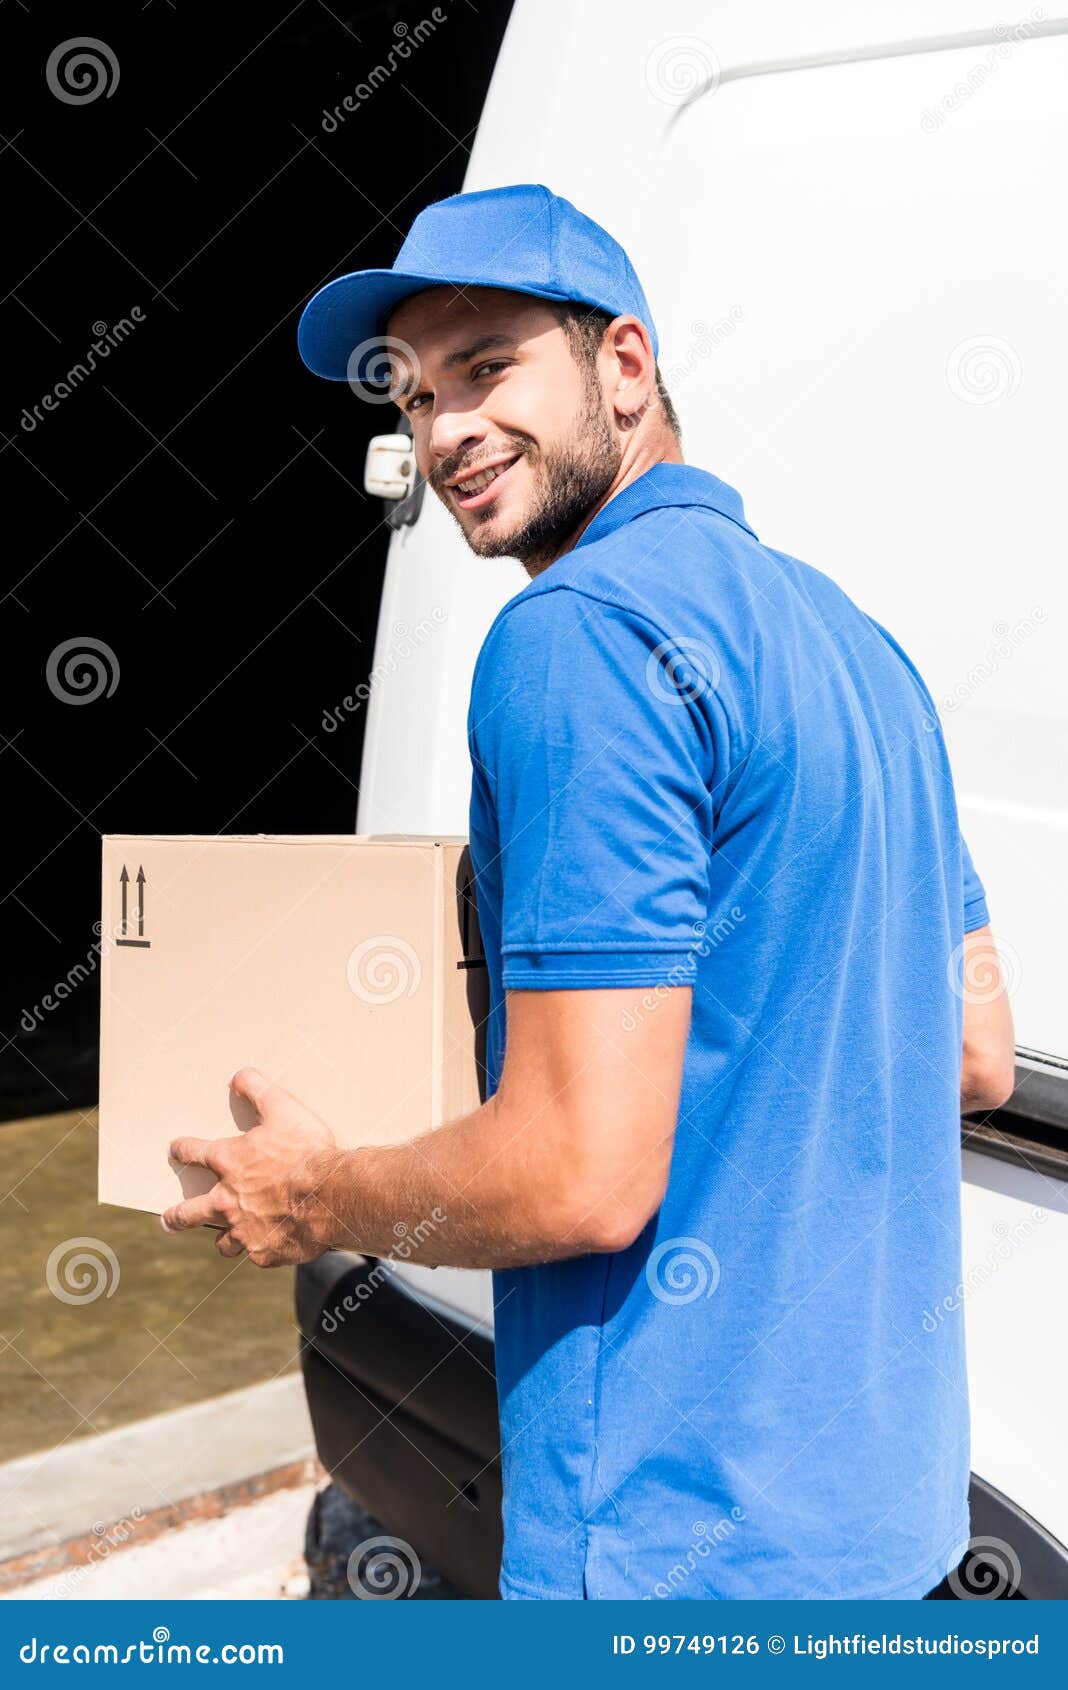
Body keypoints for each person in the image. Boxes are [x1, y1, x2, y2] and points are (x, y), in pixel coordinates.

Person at [163, 184, 1016, 1600]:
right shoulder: (861, 648)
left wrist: (321, 1202)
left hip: (672, 1551)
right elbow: (974, 1051)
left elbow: (578, 1172)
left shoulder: (577, 636)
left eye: (488, 367)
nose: (442, 432)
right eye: (417, 395)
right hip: (891, 1523)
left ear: (624, 366)